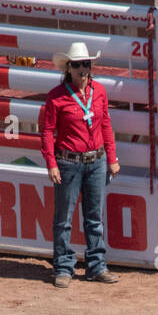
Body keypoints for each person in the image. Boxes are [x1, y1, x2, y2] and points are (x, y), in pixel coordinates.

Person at [40, 41, 120, 287]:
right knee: (64, 218)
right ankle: (64, 267)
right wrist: (51, 163)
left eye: (86, 64)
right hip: (68, 162)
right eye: (78, 65)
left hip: (96, 160)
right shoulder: (56, 97)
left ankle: (96, 266)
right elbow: (47, 132)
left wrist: (112, 157)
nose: (83, 69)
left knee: (94, 217)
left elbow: (105, 124)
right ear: (68, 68)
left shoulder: (99, 92)